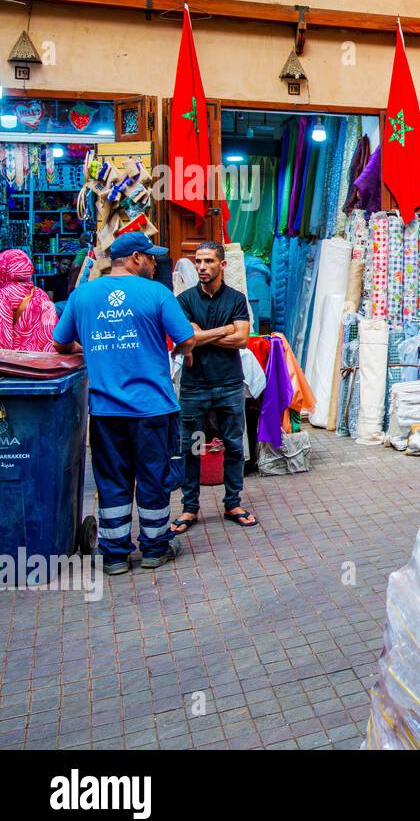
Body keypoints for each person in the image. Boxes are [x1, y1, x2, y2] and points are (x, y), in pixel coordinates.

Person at [52, 232, 195, 575]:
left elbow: (60, 343)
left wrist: (90, 351)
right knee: (153, 477)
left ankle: (114, 555)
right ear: (133, 258)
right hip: (153, 410)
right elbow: (186, 338)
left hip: (105, 410)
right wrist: (181, 352)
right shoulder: (157, 293)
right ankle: (154, 549)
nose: (153, 263)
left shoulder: (82, 295)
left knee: (112, 479)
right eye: (149, 258)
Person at [173, 241, 257, 532]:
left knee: (233, 445)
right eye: (198, 261)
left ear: (222, 265)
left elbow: (242, 340)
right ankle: (190, 507)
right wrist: (223, 330)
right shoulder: (184, 300)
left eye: (208, 261)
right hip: (194, 386)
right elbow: (185, 341)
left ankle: (233, 502)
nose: (201, 267)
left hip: (229, 383)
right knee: (191, 447)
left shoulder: (236, 298)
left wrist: (201, 335)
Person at [0, 249, 59, 352]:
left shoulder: (4, 295)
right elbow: (53, 331)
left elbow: (3, 343)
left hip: (20, 364)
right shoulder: (40, 293)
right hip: (46, 361)